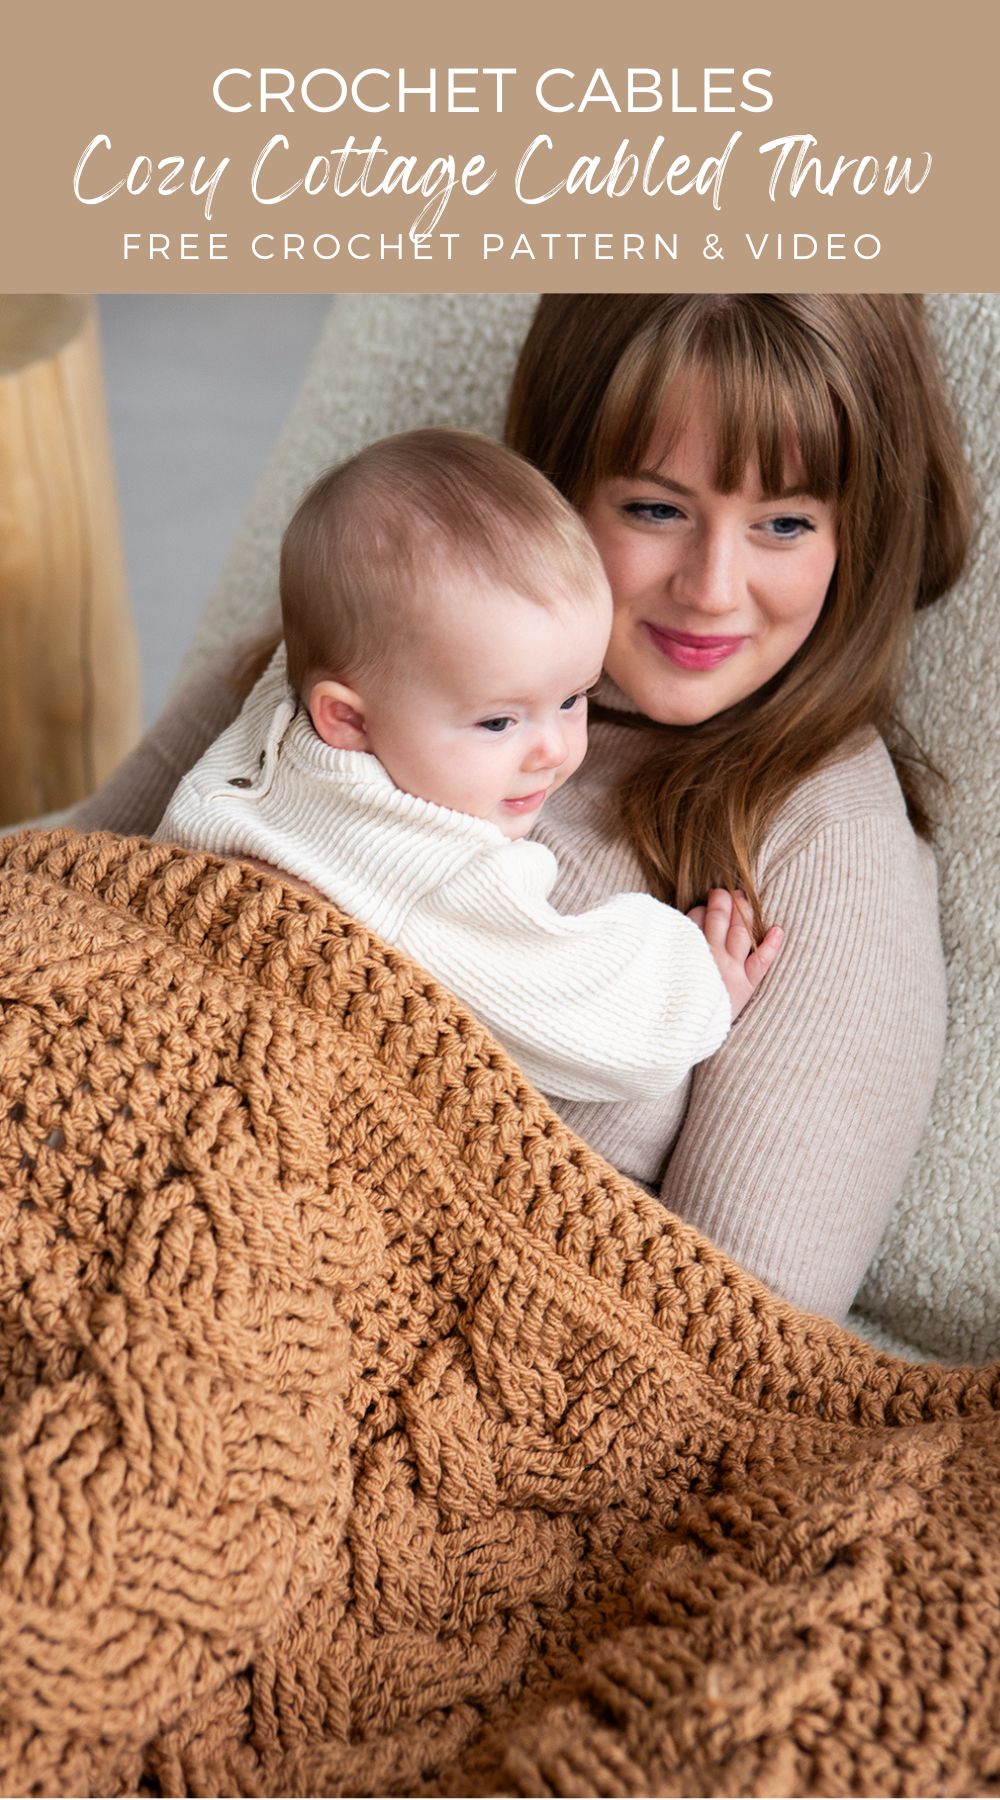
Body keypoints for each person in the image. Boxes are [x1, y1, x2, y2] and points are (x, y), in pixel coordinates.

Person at [70, 295, 973, 1322]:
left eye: (783, 522)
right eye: (656, 509)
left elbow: (730, 1340)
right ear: (560, 481)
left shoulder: (824, 834)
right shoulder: (391, 628)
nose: (714, 589)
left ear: (859, 528)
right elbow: (88, 880)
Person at [155, 428, 781, 1105]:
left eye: (574, 699)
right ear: (348, 720)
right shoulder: (436, 875)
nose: (553, 750)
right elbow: (594, 1020)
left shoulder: (277, 712)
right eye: (498, 722)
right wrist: (697, 984)